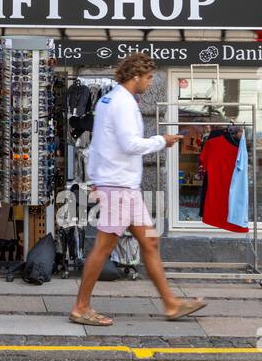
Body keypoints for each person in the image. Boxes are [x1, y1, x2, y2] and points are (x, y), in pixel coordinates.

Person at [70, 52, 207, 326]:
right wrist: (162, 140)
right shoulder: (121, 102)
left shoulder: (112, 99)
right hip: (119, 186)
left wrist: (97, 177)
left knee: (150, 242)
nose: (150, 82)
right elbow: (130, 144)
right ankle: (81, 307)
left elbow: (98, 144)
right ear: (135, 76)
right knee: (103, 247)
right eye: (148, 77)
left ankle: (170, 304)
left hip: (121, 186)